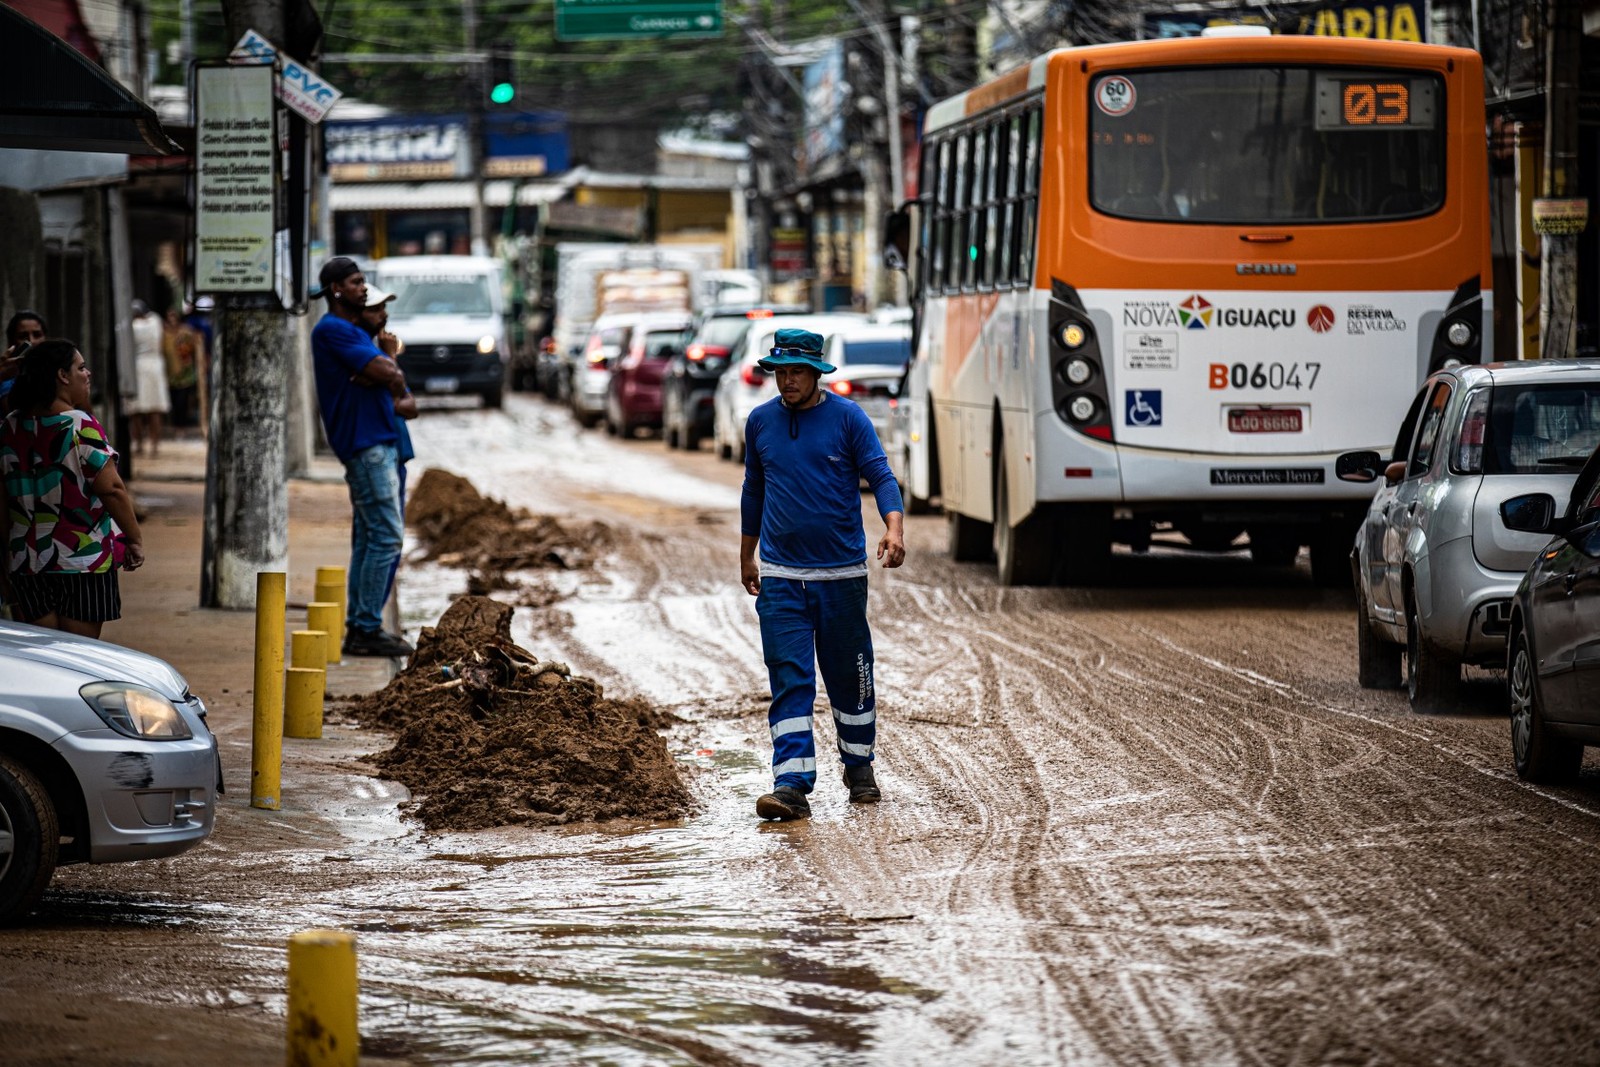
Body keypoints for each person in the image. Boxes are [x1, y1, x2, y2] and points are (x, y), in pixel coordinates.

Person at [739, 327, 906, 822]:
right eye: (780, 372)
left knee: (850, 679)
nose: (786, 381)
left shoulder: (848, 418)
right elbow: (753, 491)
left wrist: (893, 530)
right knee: (790, 678)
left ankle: (860, 769)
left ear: (817, 374)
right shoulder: (760, 422)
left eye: (796, 372)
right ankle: (791, 783)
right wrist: (746, 555)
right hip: (781, 577)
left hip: (842, 577)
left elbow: (880, 476)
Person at [0, 339, 144, 638]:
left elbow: (2, 501)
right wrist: (134, 538)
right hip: (82, 560)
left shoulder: (9, 427)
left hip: (26, 561)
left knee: (41, 659)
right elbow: (112, 489)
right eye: (81, 367)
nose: (87, 374)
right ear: (62, 376)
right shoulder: (79, 425)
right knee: (78, 654)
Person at [310, 257, 415, 658]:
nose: (361, 288)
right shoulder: (334, 330)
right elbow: (388, 373)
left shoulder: (351, 332)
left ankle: (363, 624)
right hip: (365, 445)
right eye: (355, 282)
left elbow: (394, 380)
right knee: (386, 535)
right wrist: (384, 366)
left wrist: (384, 369)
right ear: (336, 289)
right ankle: (366, 628)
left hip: (375, 444)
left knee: (371, 536)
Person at [358, 284, 417, 601]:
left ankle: (371, 616)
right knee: (383, 537)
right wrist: (391, 358)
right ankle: (368, 619)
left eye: (384, 309)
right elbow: (399, 397)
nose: (383, 316)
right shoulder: (367, 355)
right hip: (378, 453)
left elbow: (410, 405)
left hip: (395, 453)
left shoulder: (376, 353)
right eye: (376, 309)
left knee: (386, 538)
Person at [126, 300, 169, 455]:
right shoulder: (156, 321)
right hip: (156, 365)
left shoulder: (133, 327)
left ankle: (138, 443)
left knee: (136, 409)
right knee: (154, 408)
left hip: (138, 365)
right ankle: (155, 445)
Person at [162, 307, 203, 431]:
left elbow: (196, 343)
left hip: (185, 372)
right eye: (170, 317)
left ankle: (182, 425)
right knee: (173, 400)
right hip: (170, 372)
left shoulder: (186, 331)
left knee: (183, 399)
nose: (172, 320)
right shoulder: (164, 334)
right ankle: (175, 424)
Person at [2, 310, 48, 408]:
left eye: (37, 335)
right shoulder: (7, 378)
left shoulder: (59, 371)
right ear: (11, 342)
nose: (31, 341)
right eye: (23, 336)